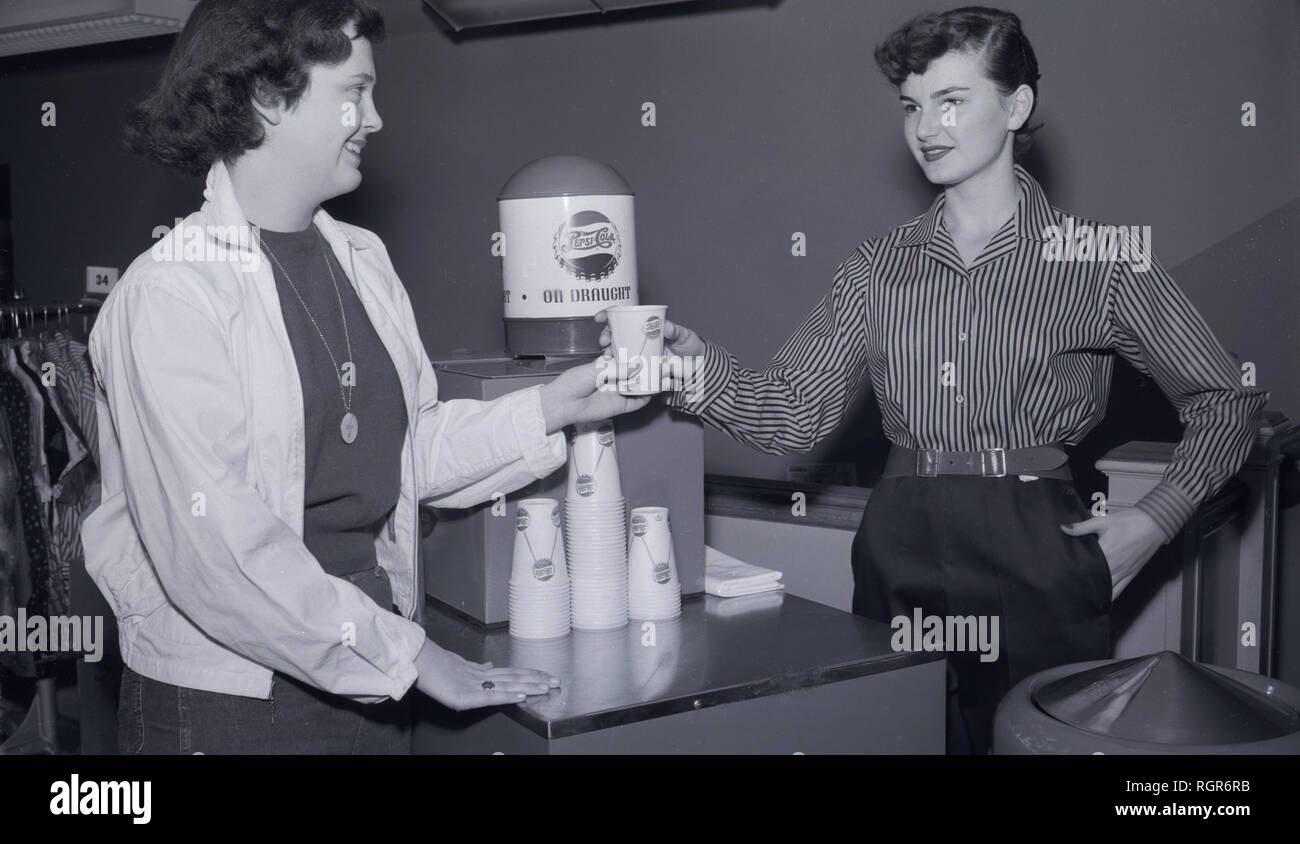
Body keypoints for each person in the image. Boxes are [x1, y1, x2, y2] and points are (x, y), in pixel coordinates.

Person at [605, 6, 1269, 754]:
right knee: (897, 739)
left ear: (1016, 106)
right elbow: (791, 415)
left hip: (1036, 539)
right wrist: (691, 368)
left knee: (1033, 746)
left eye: (954, 101)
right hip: (900, 532)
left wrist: (1153, 521)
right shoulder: (875, 268)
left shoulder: (1102, 259)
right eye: (914, 106)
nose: (928, 127)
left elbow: (1228, 399)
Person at [86, 0, 648, 754]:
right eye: (353, 92)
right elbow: (218, 549)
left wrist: (553, 408)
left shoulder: (363, 260)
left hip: (369, 677)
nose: (375, 118)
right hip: (232, 700)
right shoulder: (169, 296)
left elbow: (407, 458)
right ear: (268, 100)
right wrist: (413, 656)